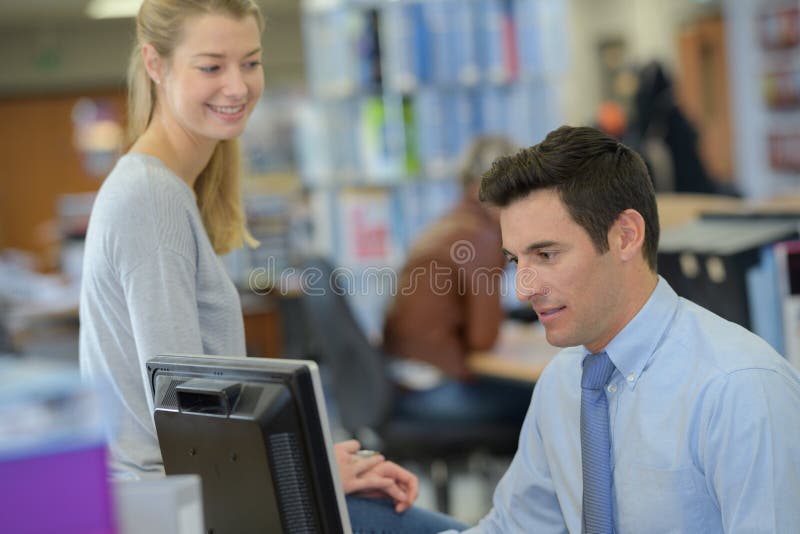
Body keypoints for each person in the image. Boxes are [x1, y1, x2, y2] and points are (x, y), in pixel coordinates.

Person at [78, 1, 464, 532]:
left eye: (251, 62)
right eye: (211, 66)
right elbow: (186, 419)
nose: (237, 86)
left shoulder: (165, 188)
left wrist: (311, 461)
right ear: (155, 64)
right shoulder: (151, 198)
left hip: (205, 492)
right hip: (184, 507)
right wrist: (312, 473)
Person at [441, 125, 800, 533]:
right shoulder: (561, 384)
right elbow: (513, 528)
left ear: (626, 236)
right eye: (515, 260)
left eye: (546, 255)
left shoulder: (740, 389)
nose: (524, 289)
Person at [383, 136, 532, 424]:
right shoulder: (481, 238)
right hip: (433, 391)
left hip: (401, 381)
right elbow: (483, 339)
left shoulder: (448, 224)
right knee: (546, 397)